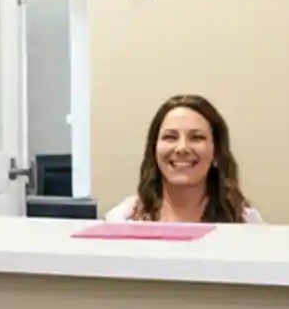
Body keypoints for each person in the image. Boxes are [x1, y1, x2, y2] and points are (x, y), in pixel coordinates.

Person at [104, 94, 263, 224]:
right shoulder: (122, 220)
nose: (182, 148)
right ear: (154, 149)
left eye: (196, 137)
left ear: (216, 151)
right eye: (170, 137)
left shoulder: (246, 223)